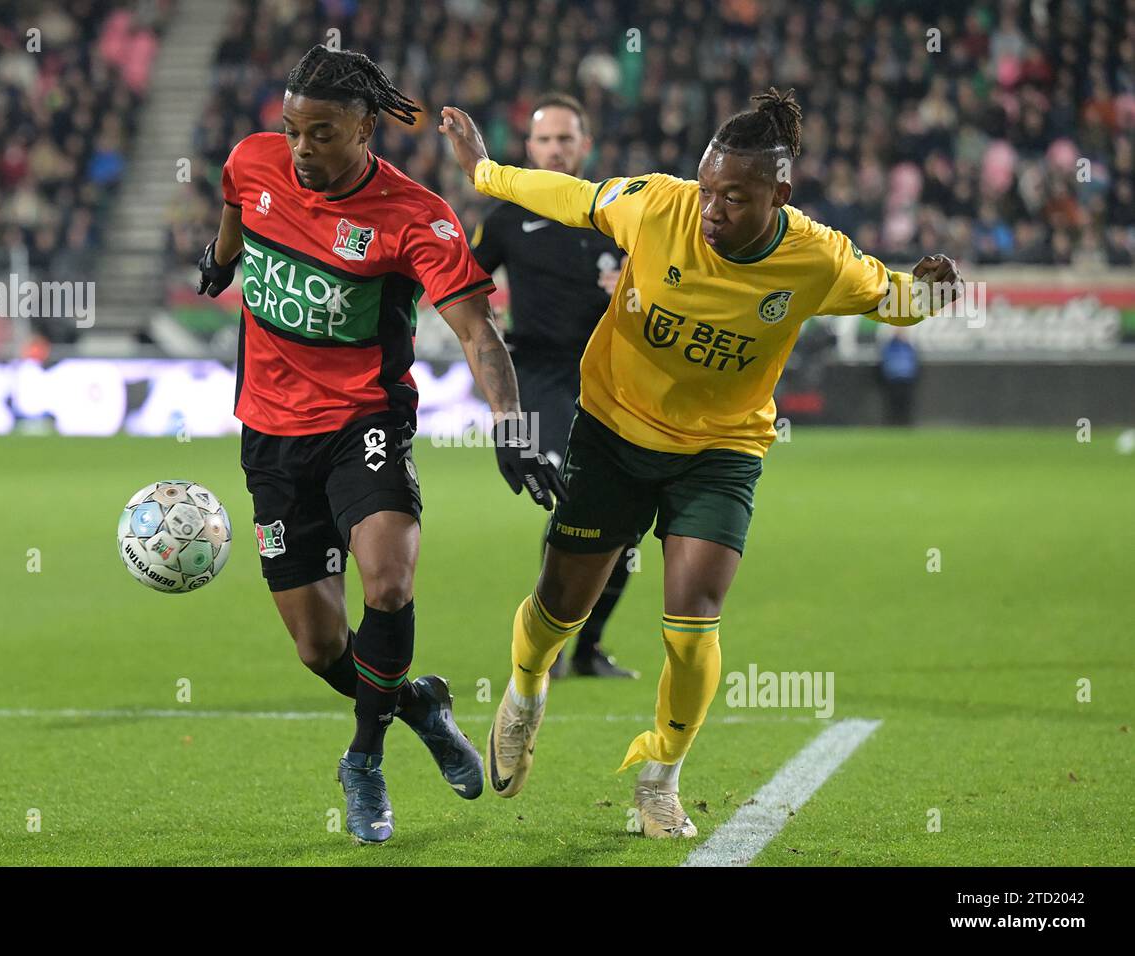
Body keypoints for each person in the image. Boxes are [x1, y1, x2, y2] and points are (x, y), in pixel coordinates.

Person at [438, 88, 961, 836]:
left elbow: (892, 296)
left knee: (693, 624)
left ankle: (659, 780)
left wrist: (934, 293)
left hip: (720, 451)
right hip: (613, 431)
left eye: (734, 198)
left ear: (779, 194)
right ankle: (524, 691)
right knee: (559, 608)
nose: (712, 210)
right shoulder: (660, 206)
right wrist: (486, 173)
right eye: (708, 189)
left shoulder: (815, 257)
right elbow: (570, 196)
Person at [197, 45, 565, 845]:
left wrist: (513, 424)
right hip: (269, 433)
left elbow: (477, 332)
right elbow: (236, 202)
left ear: (366, 128)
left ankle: (364, 759)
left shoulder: (414, 215)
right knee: (319, 645)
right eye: (293, 131)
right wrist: (221, 260)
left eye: (322, 134)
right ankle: (417, 704)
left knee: (388, 582)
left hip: (365, 421)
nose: (302, 150)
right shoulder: (253, 163)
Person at [470, 92, 638, 680]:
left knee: (626, 522)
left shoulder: (614, 212)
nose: (555, 149)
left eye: (566, 139)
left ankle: (586, 648)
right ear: (529, 147)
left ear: (585, 146)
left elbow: (655, 294)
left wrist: (632, 289)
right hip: (538, 376)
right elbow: (464, 286)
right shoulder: (507, 219)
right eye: (544, 139)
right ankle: (553, 641)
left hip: (611, 381)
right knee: (580, 499)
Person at [878, 328, 920, 425]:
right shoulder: (890, 346)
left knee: (906, 403)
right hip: (893, 378)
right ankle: (893, 423)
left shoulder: (908, 346)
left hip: (906, 378)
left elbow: (913, 360)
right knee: (893, 403)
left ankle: (905, 422)